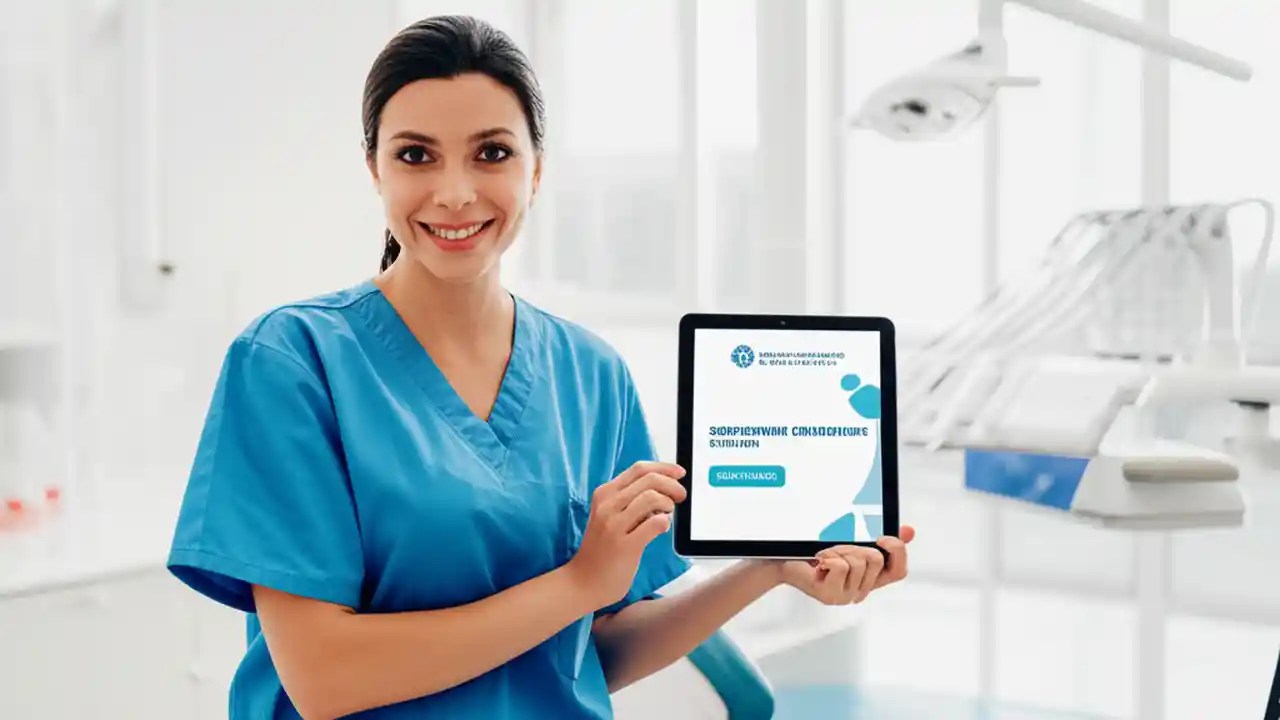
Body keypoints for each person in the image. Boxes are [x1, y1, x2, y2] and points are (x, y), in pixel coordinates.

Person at [166, 15, 915, 720]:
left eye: (492, 153)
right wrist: (580, 582)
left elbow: (589, 654)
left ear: (537, 170)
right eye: (415, 154)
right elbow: (324, 678)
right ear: (373, 169)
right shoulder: (293, 361)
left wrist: (768, 569)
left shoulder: (591, 374)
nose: (455, 192)